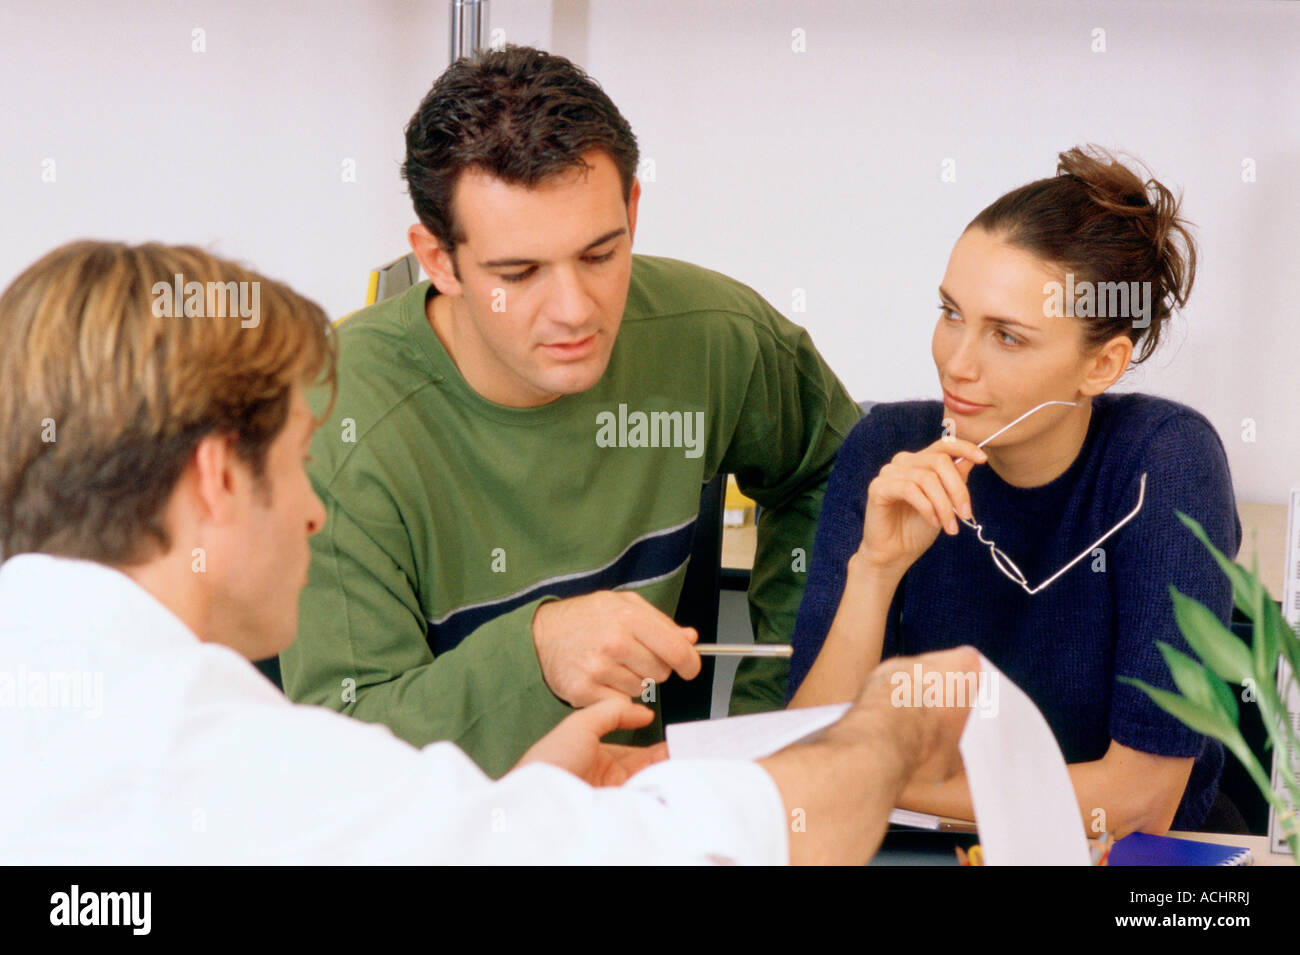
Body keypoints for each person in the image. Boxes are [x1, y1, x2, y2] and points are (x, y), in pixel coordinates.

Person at [0, 239, 974, 864]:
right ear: (217, 476)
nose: (312, 511)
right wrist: (886, 727)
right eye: (298, 462)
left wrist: (519, 804)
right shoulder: (232, 771)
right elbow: (729, 845)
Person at [279, 45, 862, 776]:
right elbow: (344, 749)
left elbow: (837, 471)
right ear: (436, 258)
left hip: (658, 822)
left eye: (599, 254)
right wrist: (536, 651)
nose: (575, 310)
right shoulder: (334, 422)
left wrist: (755, 731)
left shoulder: (712, 334)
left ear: (633, 211)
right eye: (517, 273)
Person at [786, 146, 1241, 837]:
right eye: (950, 312)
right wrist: (874, 571)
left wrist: (879, 775)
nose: (956, 362)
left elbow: (1141, 800)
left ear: (1103, 364)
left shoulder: (1165, 464)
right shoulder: (889, 447)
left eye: (1007, 336)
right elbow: (806, 760)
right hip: (925, 844)